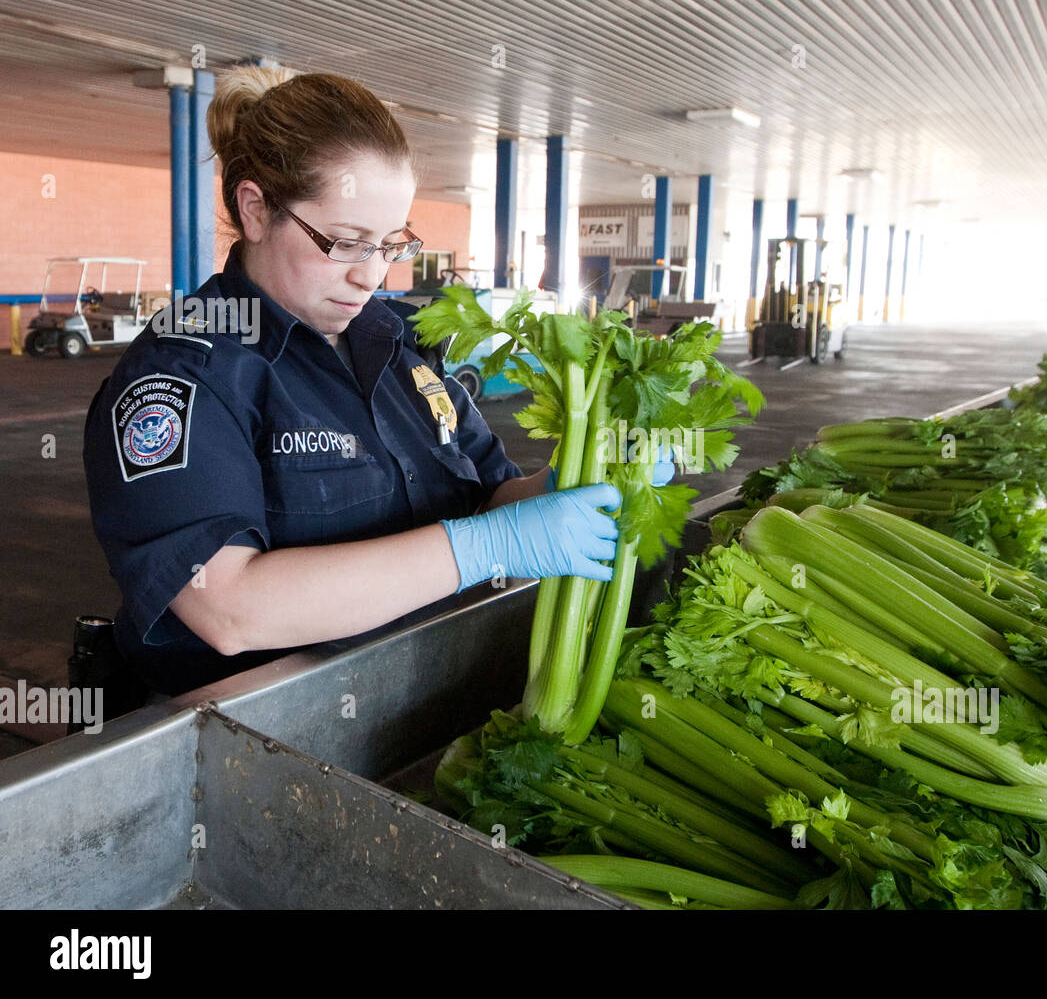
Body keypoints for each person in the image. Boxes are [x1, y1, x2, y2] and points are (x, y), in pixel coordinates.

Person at [83, 68, 660, 697]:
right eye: (348, 242)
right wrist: (486, 548)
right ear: (255, 209)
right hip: (258, 732)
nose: (373, 276)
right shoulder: (187, 372)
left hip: (422, 697)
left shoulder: (399, 345)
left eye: (392, 244)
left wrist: (568, 486)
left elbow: (486, 497)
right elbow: (228, 607)